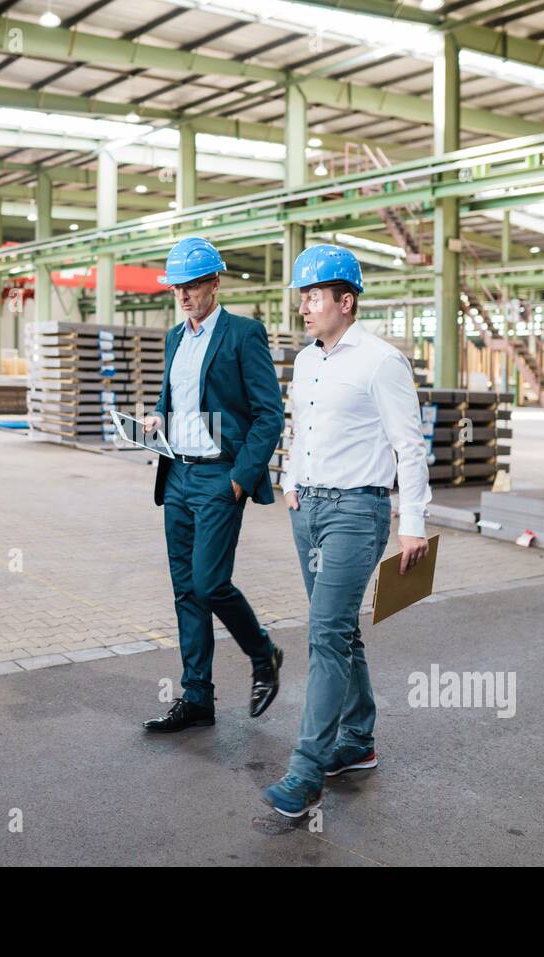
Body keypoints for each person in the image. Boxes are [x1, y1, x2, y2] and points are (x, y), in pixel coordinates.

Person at [260, 243, 432, 817]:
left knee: (325, 634)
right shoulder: (307, 361)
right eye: (302, 298)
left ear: (346, 300)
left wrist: (413, 525)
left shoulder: (382, 361)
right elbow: (300, 429)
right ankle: (357, 742)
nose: (303, 308)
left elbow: (410, 446)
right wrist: (291, 481)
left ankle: (306, 772)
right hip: (307, 510)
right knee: (342, 632)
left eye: (312, 297)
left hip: (358, 513)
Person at [140, 237, 287, 733]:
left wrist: (241, 482)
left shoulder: (244, 334)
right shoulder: (174, 338)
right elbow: (176, 399)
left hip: (219, 477)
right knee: (186, 590)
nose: (184, 295)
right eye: (177, 287)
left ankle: (263, 652)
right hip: (177, 473)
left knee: (209, 582)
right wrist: (156, 418)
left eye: (193, 285)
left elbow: (270, 414)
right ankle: (197, 696)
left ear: (214, 283)